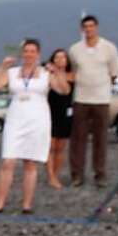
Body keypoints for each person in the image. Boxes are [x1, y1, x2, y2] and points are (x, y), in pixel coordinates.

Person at [0, 39, 58, 214]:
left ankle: (26, 204)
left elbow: (63, 89)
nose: (28, 54)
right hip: (16, 119)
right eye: (26, 51)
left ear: (38, 54)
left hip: (37, 120)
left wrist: (57, 72)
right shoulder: (12, 73)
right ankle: (0, 202)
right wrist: (2, 67)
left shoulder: (45, 73)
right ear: (22, 53)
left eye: (32, 51)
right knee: (8, 161)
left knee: (30, 162)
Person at [67, 15, 118, 188]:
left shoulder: (109, 48)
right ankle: (77, 174)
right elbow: (73, 72)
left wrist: (102, 87)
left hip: (101, 99)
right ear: (82, 29)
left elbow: (113, 73)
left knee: (100, 138)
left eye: (91, 26)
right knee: (78, 139)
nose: (89, 29)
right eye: (85, 27)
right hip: (81, 98)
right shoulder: (75, 49)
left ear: (96, 27)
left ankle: (100, 173)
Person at [45, 49, 75, 189]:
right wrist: (53, 72)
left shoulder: (71, 75)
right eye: (57, 57)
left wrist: (58, 73)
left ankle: (56, 174)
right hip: (50, 111)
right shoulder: (48, 74)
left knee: (60, 147)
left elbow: (65, 88)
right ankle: (50, 175)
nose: (60, 60)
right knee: (50, 146)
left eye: (63, 57)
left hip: (66, 112)